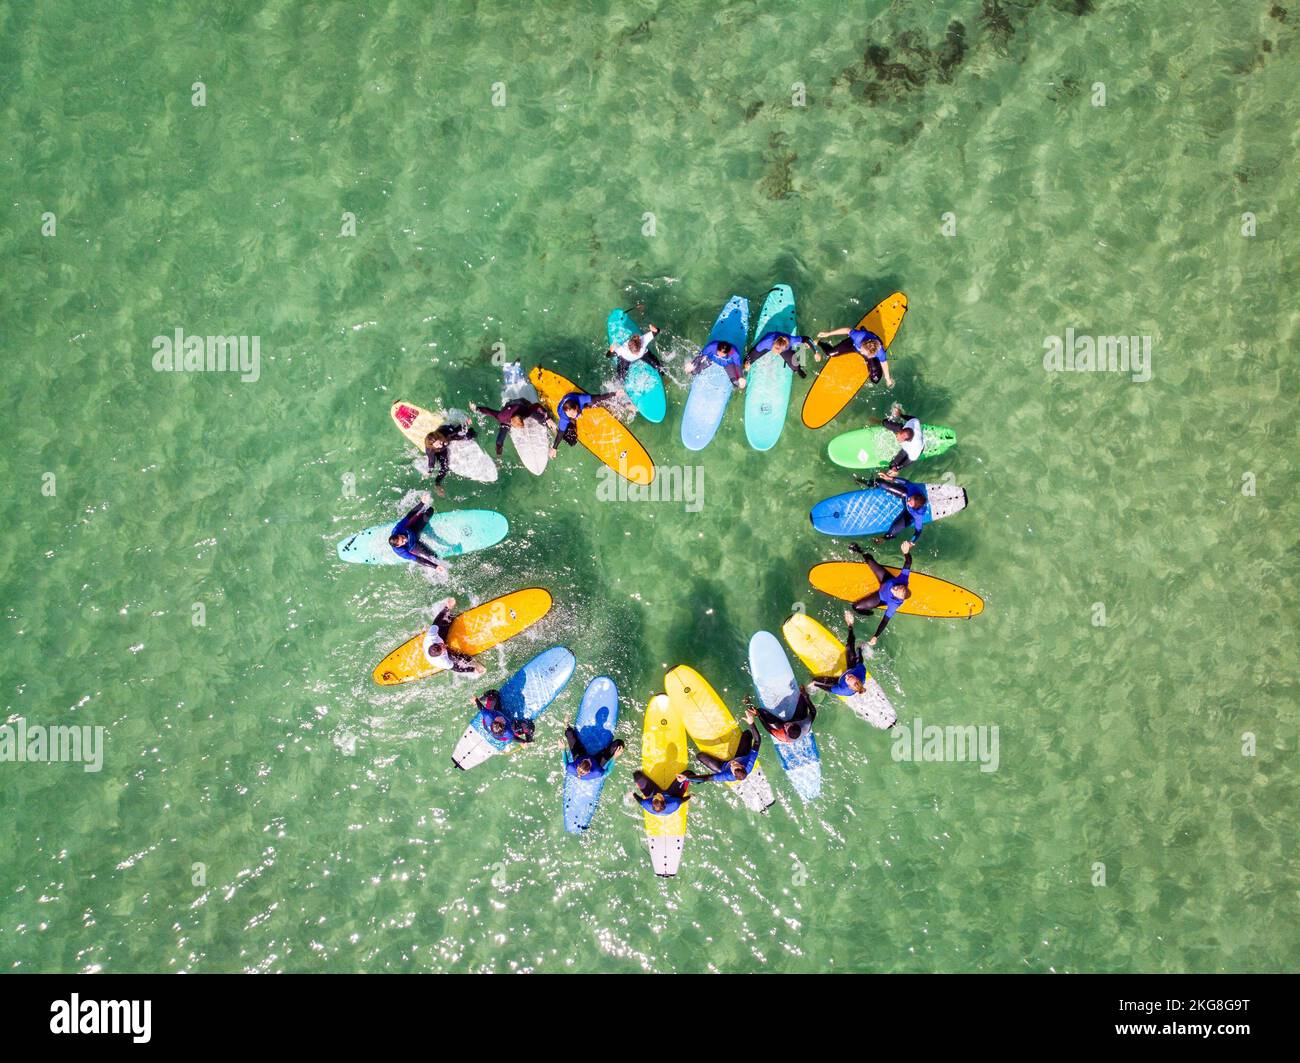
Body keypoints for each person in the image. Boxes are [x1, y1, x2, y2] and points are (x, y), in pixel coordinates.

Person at [846, 545, 912, 646]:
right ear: (901, 585)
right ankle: (859, 549)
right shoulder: (903, 579)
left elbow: (885, 621)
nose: (893, 589)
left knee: (856, 607)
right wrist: (906, 553)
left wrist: (876, 636)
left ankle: (868, 612)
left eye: (895, 592)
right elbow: (908, 562)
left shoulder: (893, 605)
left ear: (896, 597)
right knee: (869, 560)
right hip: (886, 579)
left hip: (880, 596)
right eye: (896, 587)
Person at [682, 715, 762, 783]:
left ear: (733, 773)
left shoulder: (726, 775)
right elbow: (757, 741)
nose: (732, 763)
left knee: (700, 756)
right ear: (743, 766)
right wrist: (751, 723)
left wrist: (687, 778)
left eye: (732, 766)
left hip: (722, 767)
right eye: (736, 764)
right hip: (741, 755)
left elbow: (707, 778)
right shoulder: (749, 763)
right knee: (747, 733)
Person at [814, 321, 895, 388]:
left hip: (869, 349)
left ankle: (867, 336)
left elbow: (884, 363)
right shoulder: (859, 337)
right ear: (863, 344)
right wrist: (828, 333)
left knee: (875, 379)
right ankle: (819, 342)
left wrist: (887, 379)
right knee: (830, 353)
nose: (862, 353)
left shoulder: (880, 352)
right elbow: (847, 330)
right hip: (855, 345)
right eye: (863, 351)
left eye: (865, 353)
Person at [422, 596, 486, 677]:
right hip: (438, 657)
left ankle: (452, 612)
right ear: (441, 653)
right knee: (461, 659)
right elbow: (456, 668)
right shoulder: (443, 661)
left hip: (433, 641)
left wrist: (447, 608)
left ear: (435, 643)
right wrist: (472, 670)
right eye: (443, 647)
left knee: (447, 619)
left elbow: (437, 621)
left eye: (441, 644)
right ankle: (475, 664)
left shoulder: (432, 637)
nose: (444, 645)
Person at [468, 399, 555, 458]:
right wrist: (476, 408)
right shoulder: (502, 417)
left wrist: (548, 419)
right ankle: (498, 456)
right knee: (500, 439)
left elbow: (536, 405)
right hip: (509, 406)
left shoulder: (525, 412)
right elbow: (488, 411)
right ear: (512, 424)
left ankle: (548, 424)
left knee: (538, 416)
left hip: (520, 402)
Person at [808, 616, 869, 696]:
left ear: (849, 686)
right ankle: (850, 625)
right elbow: (860, 660)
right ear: (856, 677)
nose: (847, 676)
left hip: (838, 681)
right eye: (851, 676)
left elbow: (829, 689)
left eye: (847, 679)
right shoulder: (860, 671)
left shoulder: (843, 689)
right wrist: (859, 651)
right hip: (852, 668)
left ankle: (815, 684)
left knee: (815, 680)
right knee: (850, 647)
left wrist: (816, 684)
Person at [868, 474, 928, 553]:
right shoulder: (913, 491)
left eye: (910, 503)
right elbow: (906, 482)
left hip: (909, 514)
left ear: (914, 507)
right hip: (904, 494)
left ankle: (884, 538)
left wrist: (912, 542)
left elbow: (918, 531)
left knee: (891, 533)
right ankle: (872, 483)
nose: (908, 501)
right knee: (881, 483)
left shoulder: (918, 515)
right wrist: (891, 478)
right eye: (910, 499)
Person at [386, 499, 449, 573]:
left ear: (398, 534)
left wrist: (422, 503)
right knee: (434, 558)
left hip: (413, 530)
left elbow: (409, 515)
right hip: (414, 546)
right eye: (402, 542)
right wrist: (435, 567)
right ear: (398, 546)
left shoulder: (397, 528)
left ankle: (421, 518)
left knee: (430, 511)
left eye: (402, 537)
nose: (405, 539)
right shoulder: (401, 552)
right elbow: (418, 559)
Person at [552, 390, 617, 455]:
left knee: (595, 403)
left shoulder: (581, 399)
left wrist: (615, 393)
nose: (571, 415)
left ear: (576, 407)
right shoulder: (564, 418)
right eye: (569, 414)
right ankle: (572, 422)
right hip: (566, 407)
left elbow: (599, 397)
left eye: (572, 413)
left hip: (572, 396)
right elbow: (560, 433)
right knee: (570, 438)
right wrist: (554, 448)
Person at [868, 402, 925, 474]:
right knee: (887, 423)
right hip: (907, 432)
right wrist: (901, 415)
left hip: (912, 451)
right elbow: (914, 418)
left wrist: (897, 468)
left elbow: (910, 461)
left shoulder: (913, 450)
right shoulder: (913, 423)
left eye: (899, 439)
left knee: (893, 465)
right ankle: (879, 422)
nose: (896, 437)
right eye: (898, 434)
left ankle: (892, 469)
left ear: (905, 441)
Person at [424, 422, 477, 497]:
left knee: (470, 434)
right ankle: (437, 484)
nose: (440, 445)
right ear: (432, 446)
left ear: (439, 438)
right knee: (445, 467)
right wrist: (429, 471)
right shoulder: (430, 450)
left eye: (439, 442)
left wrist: (466, 423)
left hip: (446, 432)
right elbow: (431, 461)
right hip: (440, 451)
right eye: (437, 445)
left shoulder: (445, 434)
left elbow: (456, 430)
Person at [741, 693, 816, 744]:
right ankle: (803, 697)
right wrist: (806, 697)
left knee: (761, 712)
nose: (787, 724)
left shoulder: (781, 735)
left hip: (786, 736)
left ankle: (747, 703)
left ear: (786, 731)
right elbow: (813, 711)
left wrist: (758, 715)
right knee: (802, 697)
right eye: (789, 724)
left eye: (787, 726)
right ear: (796, 723)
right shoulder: (806, 725)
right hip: (797, 722)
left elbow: (767, 728)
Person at [607, 318, 663, 383]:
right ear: (629, 348)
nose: (636, 354)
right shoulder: (622, 349)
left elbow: (657, 331)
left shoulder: (643, 340)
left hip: (643, 354)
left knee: (660, 368)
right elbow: (608, 355)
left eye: (637, 351)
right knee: (620, 380)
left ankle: (664, 377)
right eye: (635, 352)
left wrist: (655, 329)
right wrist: (611, 350)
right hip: (626, 359)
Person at [559, 728, 626, 780]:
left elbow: (566, 763)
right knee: (618, 744)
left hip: (580, 756)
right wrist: (615, 756)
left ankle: (566, 723)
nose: (588, 758)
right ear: (589, 772)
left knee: (569, 732)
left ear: (578, 765)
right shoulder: (597, 772)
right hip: (597, 761)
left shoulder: (570, 768)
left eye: (586, 760)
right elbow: (608, 771)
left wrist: (563, 749)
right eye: (589, 761)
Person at [745, 330, 813, 379]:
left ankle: (798, 370)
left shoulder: (792, 341)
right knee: (748, 360)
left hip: (783, 345)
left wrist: (815, 352)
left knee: (795, 366)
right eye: (775, 350)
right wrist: (747, 362)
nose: (776, 353)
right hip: (770, 342)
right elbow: (752, 353)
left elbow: (807, 339)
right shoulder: (765, 343)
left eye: (779, 351)